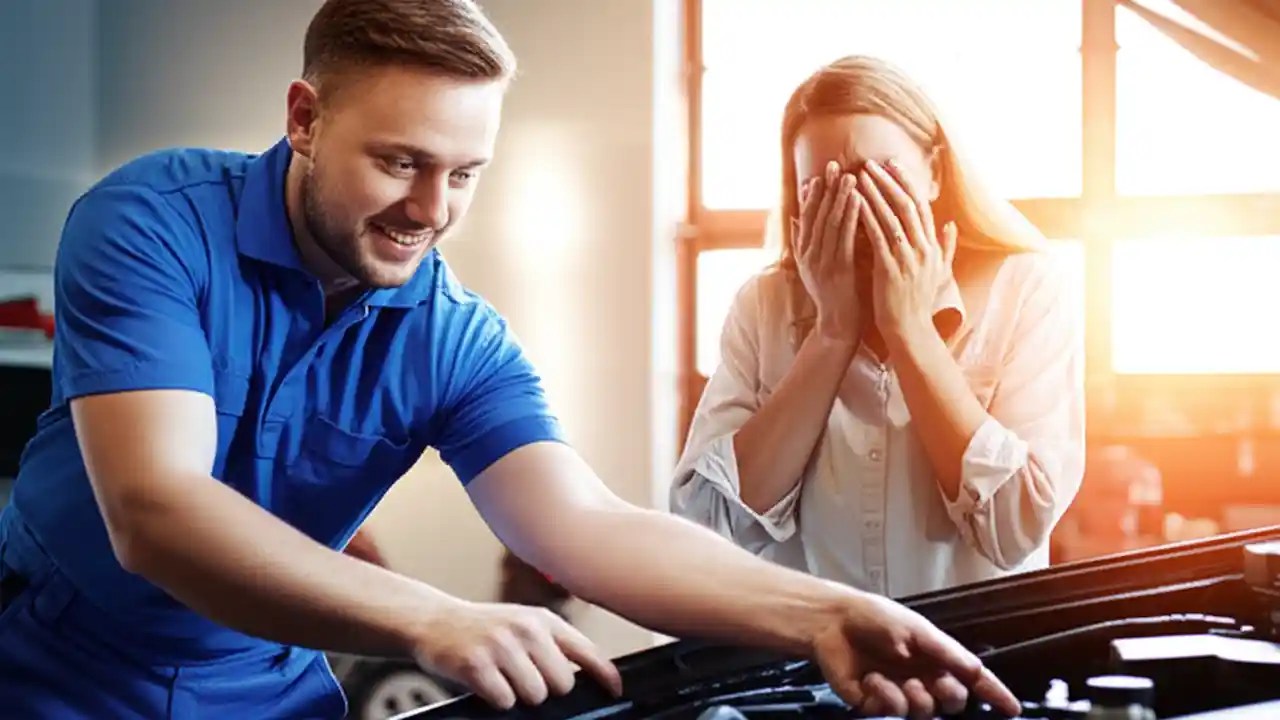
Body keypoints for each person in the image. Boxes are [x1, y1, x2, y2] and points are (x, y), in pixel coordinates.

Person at [0, 4, 1020, 718]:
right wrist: (431, 618)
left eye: (464, 174)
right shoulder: (148, 222)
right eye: (400, 163)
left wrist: (825, 614)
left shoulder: (451, 334)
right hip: (47, 675)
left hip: (269, 692)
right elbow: (156, 512)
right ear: (304, 118)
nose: (431, 212)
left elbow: (588, 528)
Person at [671, 56, 1085, 597]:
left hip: (976, 663)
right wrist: (832, 335)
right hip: (807, 670)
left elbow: (1017, 529)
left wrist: (910, 328)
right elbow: (710, 532)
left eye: (882, 179)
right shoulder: (762, 306)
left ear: (935, 172)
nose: (858, 210)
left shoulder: (1026, 289)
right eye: (825, 190)